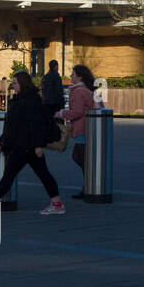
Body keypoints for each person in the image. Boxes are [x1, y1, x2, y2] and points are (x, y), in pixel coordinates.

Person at [0, 70, 65, 214]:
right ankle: (57, 204)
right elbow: (14, 126)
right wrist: (1, 142)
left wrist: (38, 145)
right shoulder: (23, 100)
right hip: (25, 145)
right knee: (42, 174)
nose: (13, 85)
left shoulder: (29, 102)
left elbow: (36, 125)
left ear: (23, 84)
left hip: (25, 146)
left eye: (16, 82)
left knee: (10, 174)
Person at [61, 64, 98, 199]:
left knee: (81, 158)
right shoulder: (87, 89)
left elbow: (77, 112)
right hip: (89, 128)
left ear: (80, 76)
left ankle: (89, 185)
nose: (70, 76)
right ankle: (89, 184)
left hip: (82, 129)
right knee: (80, 157)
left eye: (73, 74)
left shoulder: (79, 91)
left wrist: (61, 113)